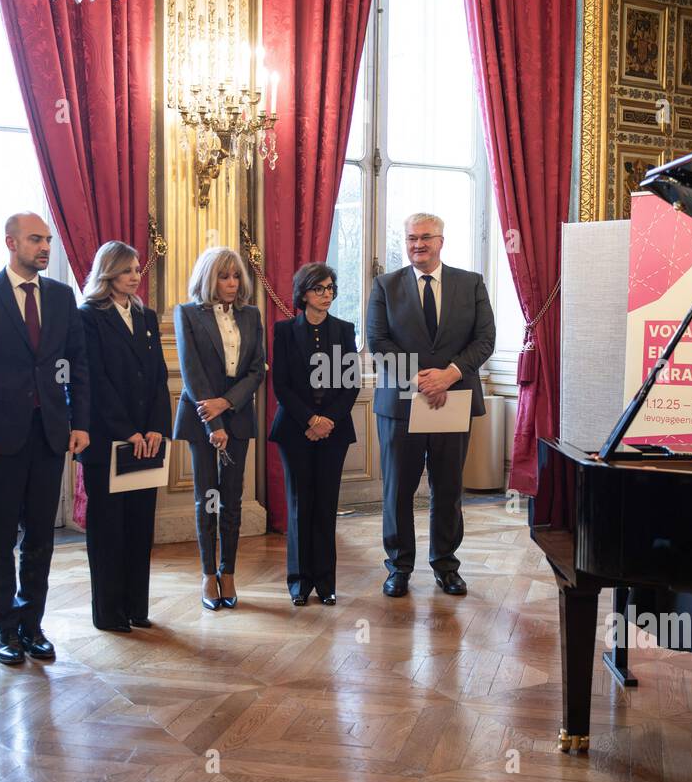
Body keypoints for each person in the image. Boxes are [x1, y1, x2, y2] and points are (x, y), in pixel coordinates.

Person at [0, 212, 90, 665]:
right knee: (1, 536)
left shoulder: (63, 296)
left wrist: (80, 422)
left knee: (41, 538)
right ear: (11, 242)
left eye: (48, 240)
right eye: (35, 240)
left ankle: (33, 625)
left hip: (49, 434)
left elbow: (79, 366)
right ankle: (5, 629)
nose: (45, 247)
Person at [366, 212, 495, 598]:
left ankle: (446, 566)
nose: (417, 244)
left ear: (441, 241)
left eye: (425, 237)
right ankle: (399, 568)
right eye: (410, 238)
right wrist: (422, 379)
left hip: (453, 400)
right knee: (398, 491)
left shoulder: (470, 283)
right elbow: (378, 342)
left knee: (448, 489)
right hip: (401, 404)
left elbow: (485, 338)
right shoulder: (384, 286)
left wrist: (449, 375)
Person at [77, 241, 171, 631]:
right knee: (108, 531)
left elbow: (158, 377)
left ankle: (136, 607)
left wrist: (154, 429)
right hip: (107, 442)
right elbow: (94, 382)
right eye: (127, 270)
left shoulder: (146, 317)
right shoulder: (88, 317)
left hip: (146, 442)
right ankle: (109, 613)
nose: (135, 276)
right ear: (108, 273)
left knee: (138, 525)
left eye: (137, 269)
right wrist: (127, 431)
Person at [174, 247, 266, 611]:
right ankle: (208, 574)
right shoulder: (187, 314)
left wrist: (226, 405)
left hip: (239, 416)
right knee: (206, 499)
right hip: (200, 421)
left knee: (232, 499)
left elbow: (258, 369)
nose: (232, 283)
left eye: (235, 276)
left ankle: (229, 571)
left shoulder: (251, 315)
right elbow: (191, 371)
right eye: (224, 277)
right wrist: (213, 421)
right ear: (208, 280)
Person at [270, 263, 361, 606]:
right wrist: (310, 420)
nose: (327, 294)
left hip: (333, 433)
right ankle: (299, 582)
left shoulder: (344, 330)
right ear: (303, 293)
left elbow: (350, 384)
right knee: (299, 505)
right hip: (295, 431)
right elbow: (281, 384)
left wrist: (327, 422)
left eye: (330, 288)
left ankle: (325, 583)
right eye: (320, 288)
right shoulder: (284, 331)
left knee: (325, 505)